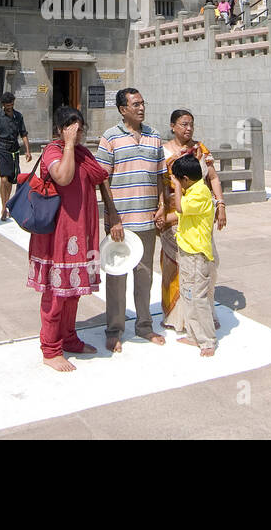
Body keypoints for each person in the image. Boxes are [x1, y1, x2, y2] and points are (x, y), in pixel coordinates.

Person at [27, 106, 119, 372]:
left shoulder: (84, 153)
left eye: (79, 129)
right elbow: (64, 177)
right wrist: (67, 144)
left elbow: (102, 179)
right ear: (59, 129)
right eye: (71, 128)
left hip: (81, 230)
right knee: (56, 293)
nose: (77, 134)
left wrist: (113, 213)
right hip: (59, 233)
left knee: (73, 292)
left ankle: (69, 337)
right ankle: (50, 348)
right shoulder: (53, 152)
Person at [95, 88, 169, 352]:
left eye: (142, 103)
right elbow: (103, 178)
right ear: (122, 109)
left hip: (147, 219)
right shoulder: (110, 138)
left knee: (145, 274)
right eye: (135, 104)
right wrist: (113, 216)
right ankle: (114, 330)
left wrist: (162, 205)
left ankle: (144, 325)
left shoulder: (154, 136)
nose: (141, 108)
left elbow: (161, 174)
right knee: (117, 277)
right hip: (120, 222)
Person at [158, 110, 226, 333]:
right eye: (184, 124)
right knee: (175, 266)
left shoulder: (200, 150)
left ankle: (203, 315)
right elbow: (159, 182)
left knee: (208, 264)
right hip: (173, 215)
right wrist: (160, 207)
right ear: (173, 126)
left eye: (191, 125)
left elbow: (213, 178)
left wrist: (221, 205)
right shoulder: (164, 150)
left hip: (198, 213)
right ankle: (178, 317)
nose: (188, 129)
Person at [163, 154, 222, 356]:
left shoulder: (200, 193)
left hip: (198, 255)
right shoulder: (192, 191)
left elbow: (180, 207)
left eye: (178, 179)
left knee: (199, 298)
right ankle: (194, 334)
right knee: (188, 295)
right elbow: (179, 214)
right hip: (187, 252)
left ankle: (207, 341)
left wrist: (177, 186)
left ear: (185, 179)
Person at [0, 92, 30, 220]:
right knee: (4, 178)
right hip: (2, 148)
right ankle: (3, 206)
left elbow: (23, 133)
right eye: (7, 105)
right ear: (3, 105)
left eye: (11, 104)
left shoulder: (18, 116)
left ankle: (7, 204)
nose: (9, 107)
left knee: (11, 180)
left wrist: (28, 151)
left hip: (14, 149)